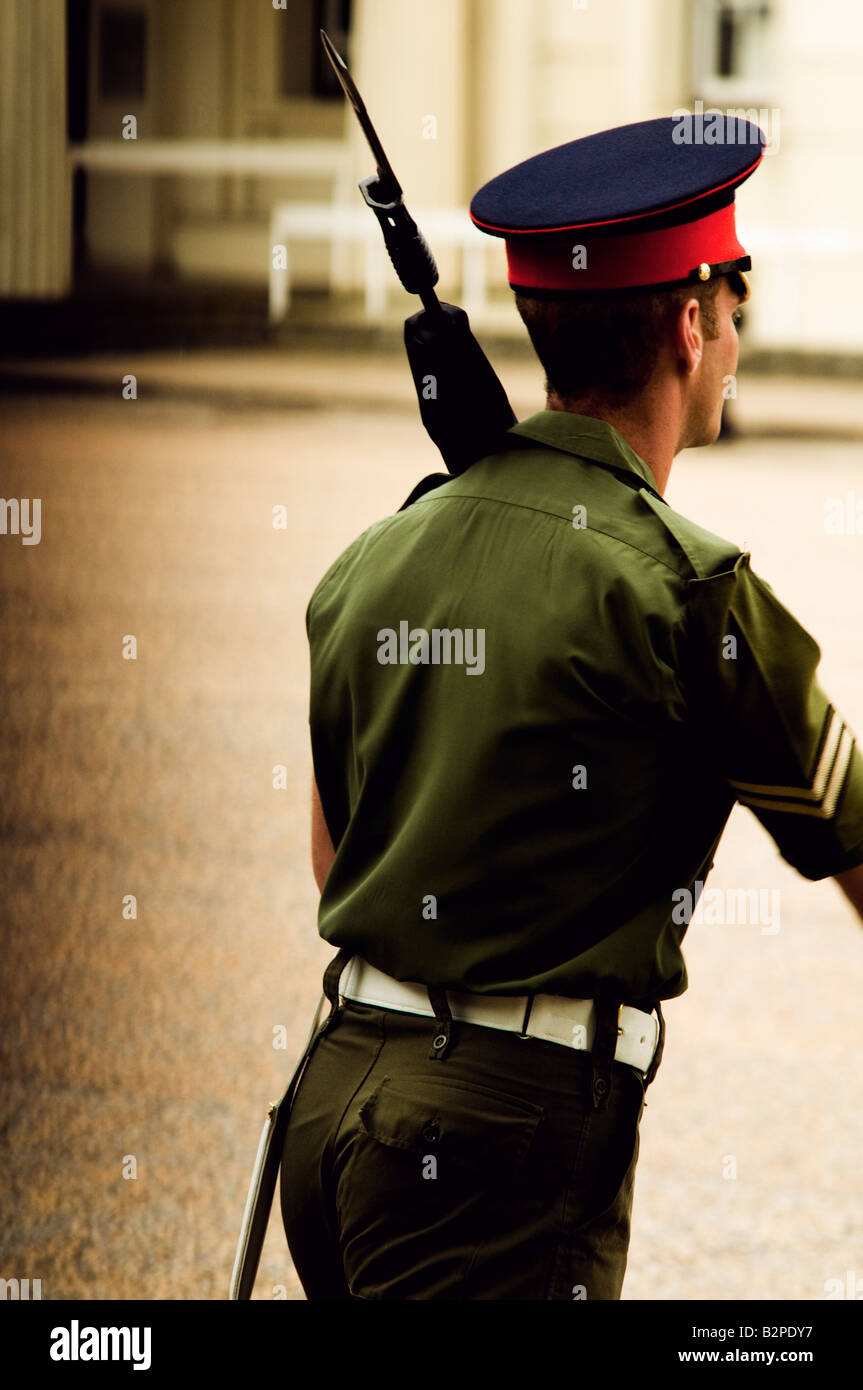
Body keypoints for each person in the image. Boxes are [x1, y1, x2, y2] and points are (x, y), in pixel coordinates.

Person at [279, 116, 863, 1301]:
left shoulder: (371, 559)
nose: (733, 343)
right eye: (730, 314)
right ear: (690, 327)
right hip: (496, 1163)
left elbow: (335, 859)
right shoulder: (687, 589)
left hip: (334, 1112)